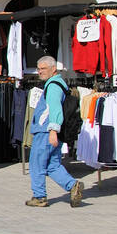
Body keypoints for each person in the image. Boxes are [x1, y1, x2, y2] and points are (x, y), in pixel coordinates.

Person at [27, 56, 83, 208]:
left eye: (43, 69)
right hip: (51, 132)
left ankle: (39, 196)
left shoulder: (52, 86)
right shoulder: (59, 84)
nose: (40, 72)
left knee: (36, 164)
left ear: (53, 69)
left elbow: (55, 109)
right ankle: (72, 185)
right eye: (38, 69)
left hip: (46, 132)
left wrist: (53, 130)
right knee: (53, 165)